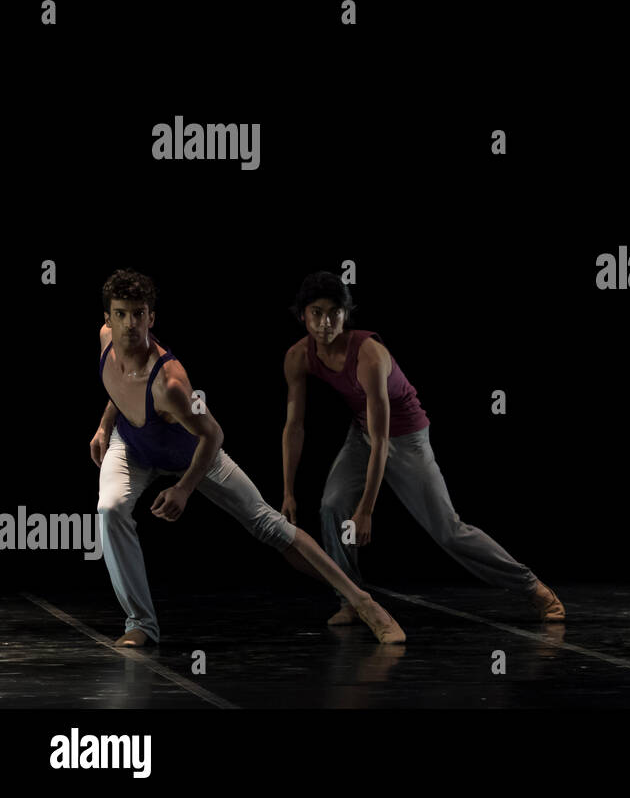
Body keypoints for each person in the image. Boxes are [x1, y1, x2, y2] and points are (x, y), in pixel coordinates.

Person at [92, 269, 404, 647]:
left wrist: (184, 489)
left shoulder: (171, 383)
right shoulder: (105, 340)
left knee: (269, 525)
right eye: (121, 314)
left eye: (138, 314)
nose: (130, 324)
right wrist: (104, 428)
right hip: (132, 445)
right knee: (110, 508)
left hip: (193, 455)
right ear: (107, 319)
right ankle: (140, 623)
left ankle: (364, 602)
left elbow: (214, 434)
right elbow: (119, 385)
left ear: (151, 318)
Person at [281, 271, 564, 625]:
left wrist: (366, 509)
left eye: (334, 312)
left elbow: (383, 440)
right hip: (361, 434)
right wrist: (289, 491)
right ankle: (351, 598)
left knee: (448, 529)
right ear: (302, 315)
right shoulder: (298, 357)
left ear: (346, 314)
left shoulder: (370, 355)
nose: (325, 322)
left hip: (406, 437)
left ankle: (533, 588)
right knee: (332, 506)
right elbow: (295, 426)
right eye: (316, 312)